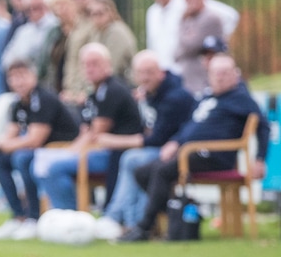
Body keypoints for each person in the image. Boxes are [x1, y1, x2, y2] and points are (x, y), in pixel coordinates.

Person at [118, 54, 269, 242]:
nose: (219, 77)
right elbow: (189, 126)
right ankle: (184, 213)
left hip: (213, 155)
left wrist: (260, 159)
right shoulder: (206, 96)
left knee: (161, 171)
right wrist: (174, 142)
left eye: (224, 73)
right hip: (189, 151)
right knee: (142, 171)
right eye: (215, 73)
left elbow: (263, 127)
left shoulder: (240, 98)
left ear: (234, 75)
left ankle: (143, 228)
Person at [0, 60, 79, 240]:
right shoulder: (17, 104)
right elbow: (10, 136)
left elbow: (35, 140)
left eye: (22, 76)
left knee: (22, 158)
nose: (18, 82)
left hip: (61, 150)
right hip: (40, 152)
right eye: (13, 77)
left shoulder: (43, 98)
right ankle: (17, 216)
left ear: (34, 76)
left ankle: (34, 217)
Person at [96, 50, 196, 236]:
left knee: (133, 159)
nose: (144, 77)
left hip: (178, 151)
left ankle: (122, 219)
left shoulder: (175, 97)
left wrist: (115, 140)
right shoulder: (150, 94)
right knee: (130, 159)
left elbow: (158, 138)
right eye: (140, 73)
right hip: (163, 149)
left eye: (149, 72)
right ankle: (129, 221)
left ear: (161, 72)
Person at [35, 43, 142, 211]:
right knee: (42, 161)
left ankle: (70, 213)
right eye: (86, 64)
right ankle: (48, 213)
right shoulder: (93, 94)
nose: (90, 69)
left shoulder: (112, 90)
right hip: (96, 150)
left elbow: (96, 132)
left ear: (108, 64)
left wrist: (68, 153)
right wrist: (69, 150)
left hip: (115, 153)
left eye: (95, 63)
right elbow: (86, 131)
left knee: (54, 167)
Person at [144, 0, 239, 74]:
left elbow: (230, 15)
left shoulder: (185, 3)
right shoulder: (152, 12)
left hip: (183, 68)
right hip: (163, 69)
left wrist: (216, 39)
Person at [173, 0, 227, 96]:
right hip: (187, 81)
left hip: (202, 83)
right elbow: (176, 54)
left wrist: (182, 23)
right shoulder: (188, 18)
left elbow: (190, 46)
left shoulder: (210, 18)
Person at [76, 0, 137, 84]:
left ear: (111, 12)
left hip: (121, 83)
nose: (96, 18)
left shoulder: (117, 32)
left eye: (100, 13)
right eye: (93, 14)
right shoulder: (97, 32)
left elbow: (110, 68)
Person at [0, 0, 58, 74]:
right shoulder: (23, 31)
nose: (33, 12)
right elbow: (6, 59)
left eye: (37, 7)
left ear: (47, 6)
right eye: (28, 9)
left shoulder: (56, 27)